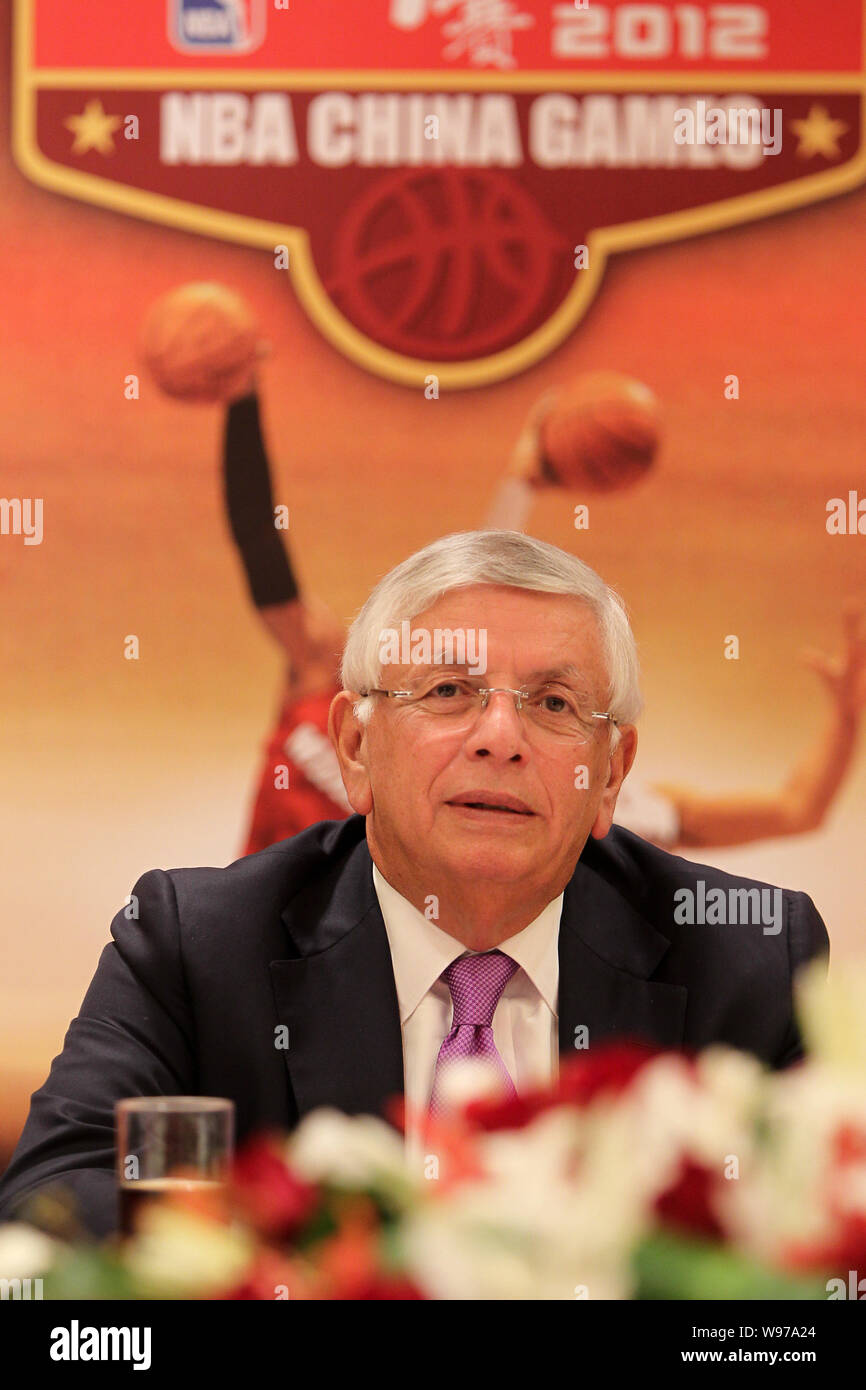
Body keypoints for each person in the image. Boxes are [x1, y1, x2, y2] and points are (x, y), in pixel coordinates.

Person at [0, 531, 829, 1236]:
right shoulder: (197, 946)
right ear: (356, 749)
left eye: (553, 703)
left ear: (611, 774)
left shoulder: (748, 955)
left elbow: (818, 1265)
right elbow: (58, 1209)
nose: (500, 739)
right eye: (448, 692)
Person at [226, 373, 866, 854]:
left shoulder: (575, 798)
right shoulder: (326, 675)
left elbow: (795, 809)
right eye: (451, 682)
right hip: (254, 990)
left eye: (553, 700)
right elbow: (260, 542)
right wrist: (241, 400)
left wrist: (845, 720)